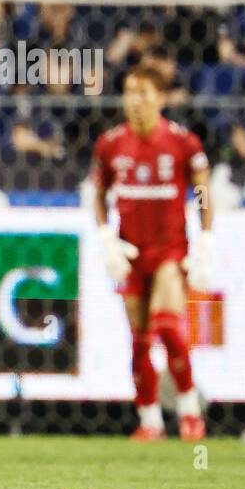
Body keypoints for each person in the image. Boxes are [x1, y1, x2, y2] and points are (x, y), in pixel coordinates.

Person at [91, 65, 213, 441]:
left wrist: (205, 241)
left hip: (169, 252)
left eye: (144, 93)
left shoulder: (182, 142)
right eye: (130, 92)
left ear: (160, 98)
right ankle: (150, 420)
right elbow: (98, 193)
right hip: (131, 252)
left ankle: (190, 411)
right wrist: (105, 237)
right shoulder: (111, 144)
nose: (136, 101)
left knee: (169, 328)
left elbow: (202, 191)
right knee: (140, 338)